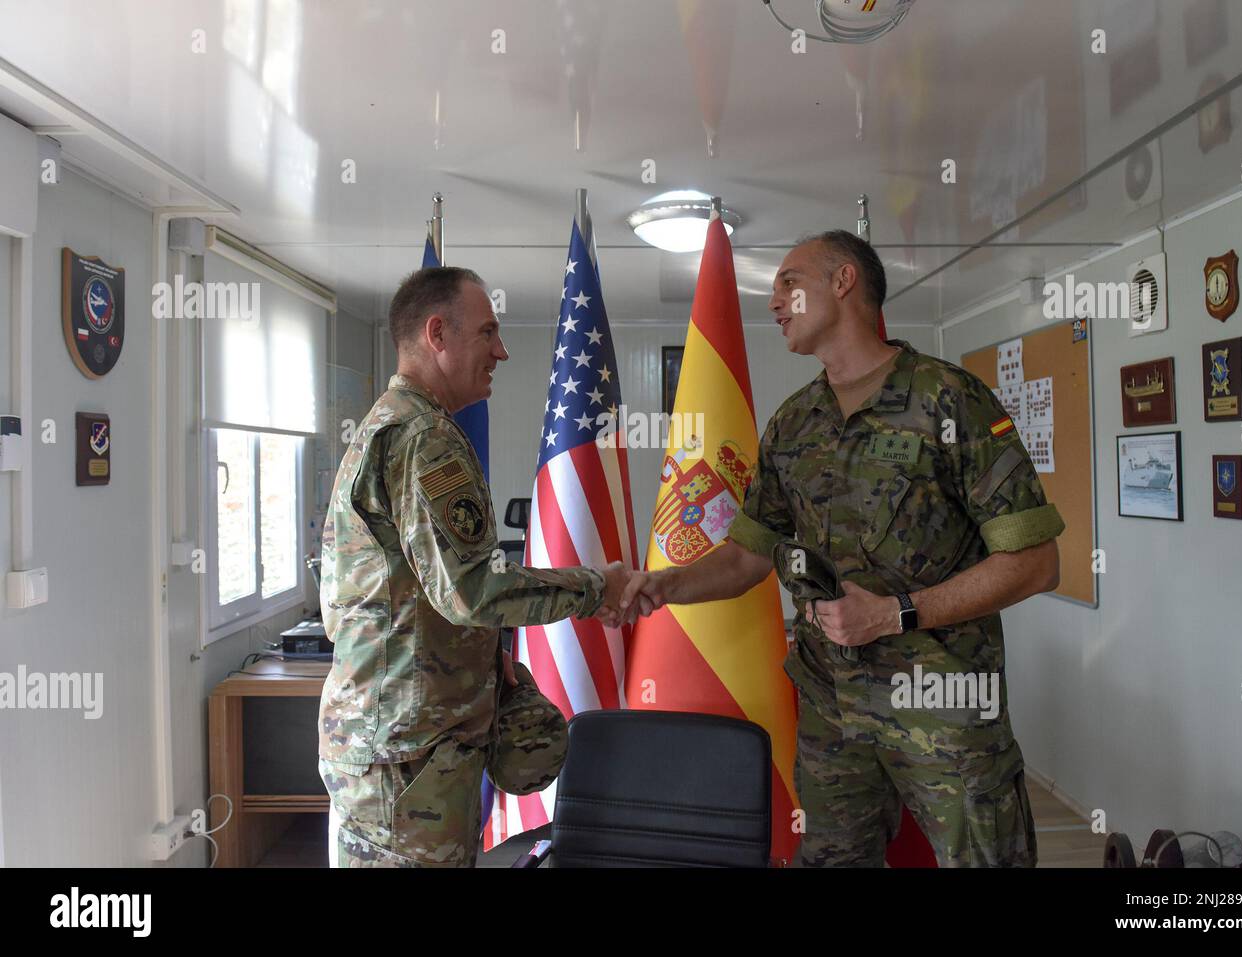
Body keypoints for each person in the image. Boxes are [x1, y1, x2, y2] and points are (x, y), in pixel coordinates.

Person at [611, 231, 1064, 867]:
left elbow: (1036, 564)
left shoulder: (948, 400)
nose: (773, 303)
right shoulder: (793, 423)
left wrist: (895, 612)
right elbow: (748, 555)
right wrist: (664, 585)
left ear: (844, 281)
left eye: (788, 282)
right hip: (832, 709)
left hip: (942, 706)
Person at [318, 265, 640, 867]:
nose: (502, 350)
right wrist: (600, 588)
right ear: (438, 334)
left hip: (399, 736)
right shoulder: (423, 437)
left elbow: (409, 588)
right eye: (488, 333)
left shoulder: (395, 425)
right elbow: (471, 591)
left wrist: (483, 656)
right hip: (408, 747)